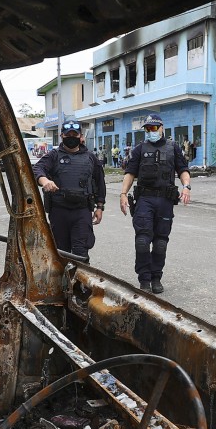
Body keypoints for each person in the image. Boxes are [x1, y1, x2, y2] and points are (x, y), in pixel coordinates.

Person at [119, 114, 191, 294]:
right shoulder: (139, 150)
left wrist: (186, 187)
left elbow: (183, 170)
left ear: (162, 128)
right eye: (148, 128)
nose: (151, 131)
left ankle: (156, 277)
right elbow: (130, 173)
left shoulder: (173, 148)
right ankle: (144, 279)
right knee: (142, 240)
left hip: (165, 200)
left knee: (160, 243)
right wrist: (123, 193)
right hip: (144, 200)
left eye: (154, 128)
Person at [33, 118, 106, 262]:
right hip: (59, 211)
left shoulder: (91, 158)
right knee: (61, 254)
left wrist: (100, 207)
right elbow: (37, 168)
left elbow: (100, 183)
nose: (71, 138)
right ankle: (63, 284)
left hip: (82, 211)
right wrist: (45, 180)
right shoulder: (54, 156)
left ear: (81, 136)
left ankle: (81, 284)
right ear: (62, 136)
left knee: (80, 254)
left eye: (75, 135)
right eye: (68, 135)